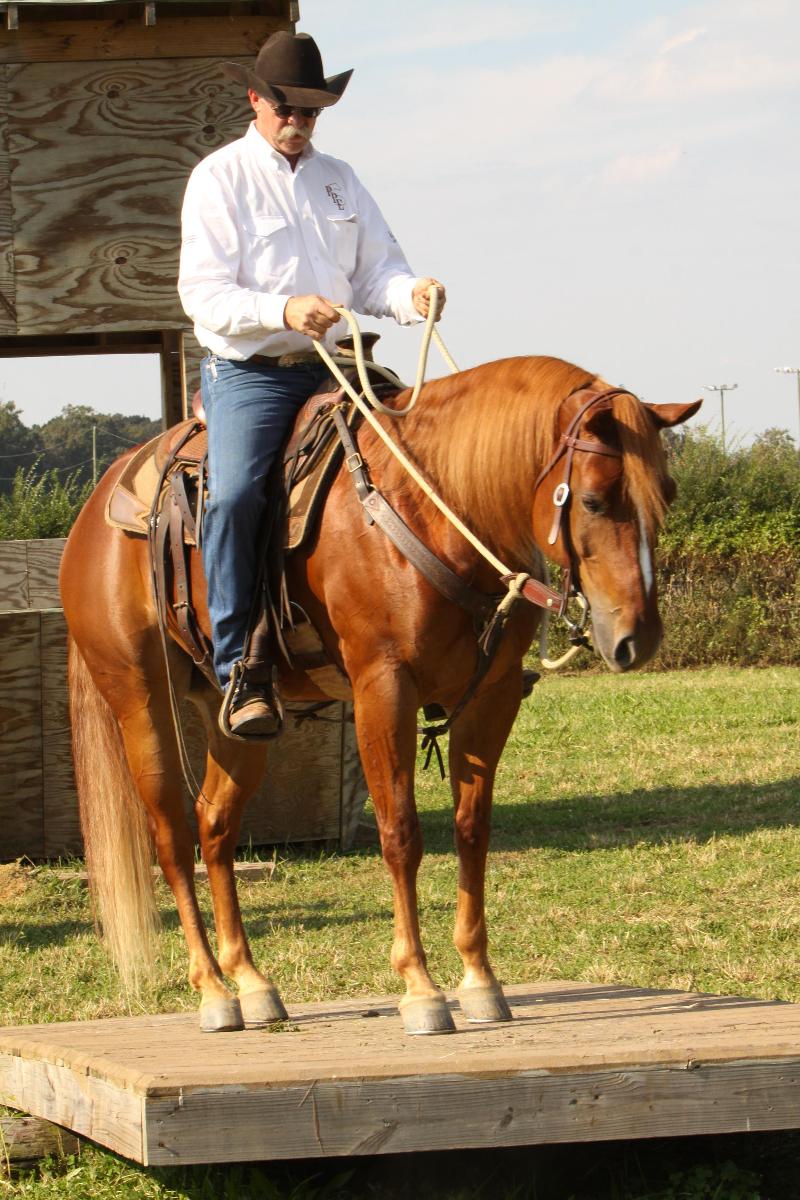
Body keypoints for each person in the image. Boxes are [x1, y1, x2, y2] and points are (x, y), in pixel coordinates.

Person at [178, 31, 446, 739]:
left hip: (340, 362)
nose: (299, 123)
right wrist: (282, 309)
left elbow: (375, 273)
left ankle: (438, 647)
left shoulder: (341, 180)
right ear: (255, 100)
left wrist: (410, 293)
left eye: (311, 112)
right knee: (236, 495)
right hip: (252, 374)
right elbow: (203, 294)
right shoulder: (220, 178)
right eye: (287, 109)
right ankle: (241, 669)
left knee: (427, 457)